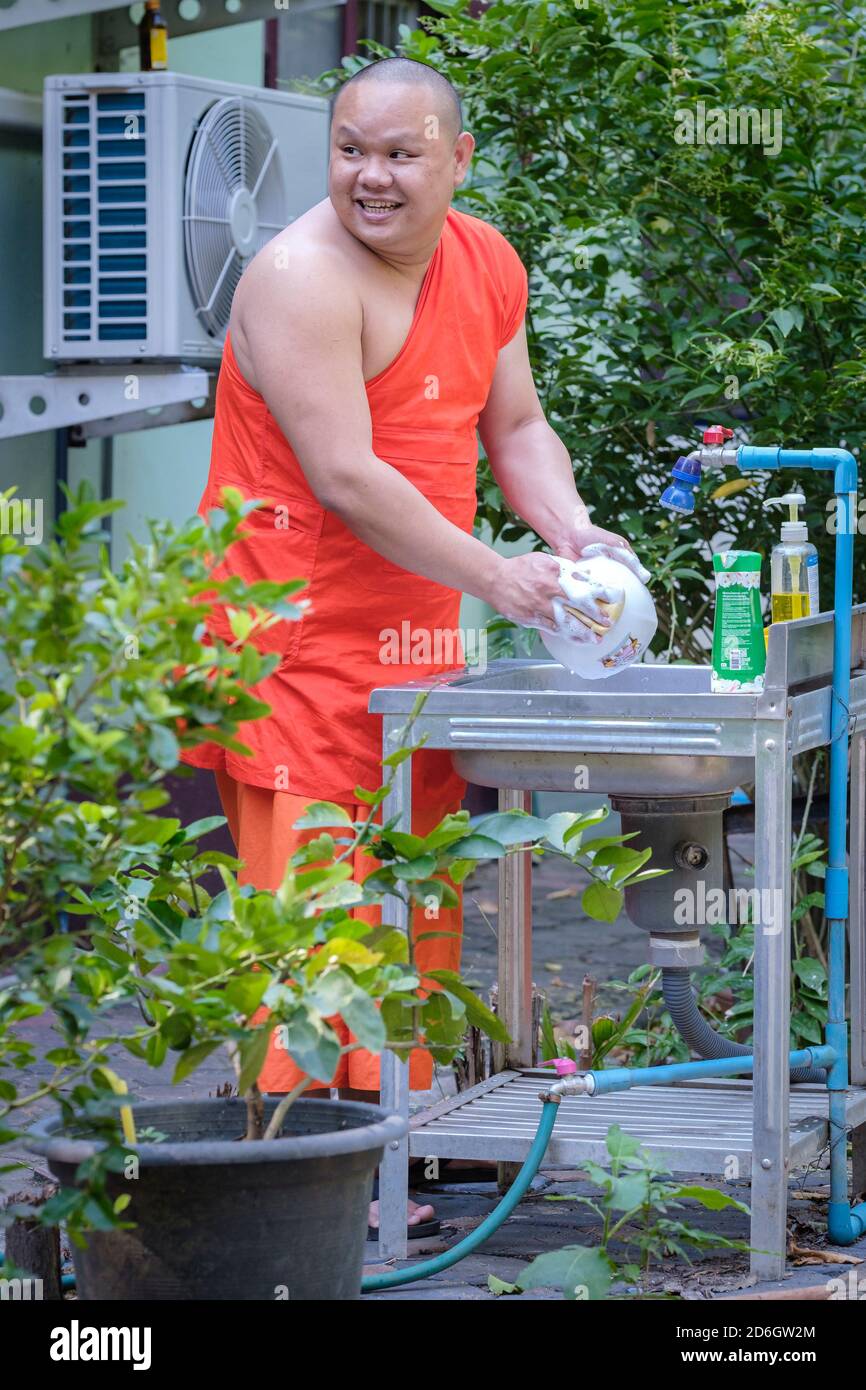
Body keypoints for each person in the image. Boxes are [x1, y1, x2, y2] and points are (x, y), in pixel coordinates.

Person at [181, 56, 646, 1236]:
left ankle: (415, 1140)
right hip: (287, 641)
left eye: (398, 153)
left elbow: (518, 424)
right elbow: (345, 472)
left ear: (455, 160)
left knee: (419, 883)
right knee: (315, 901)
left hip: (415, 633)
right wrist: (499, 575)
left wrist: (570, 530)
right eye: (349, 150)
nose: (369, 177)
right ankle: (308, 1178)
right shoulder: (299, 276)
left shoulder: (484, 260)